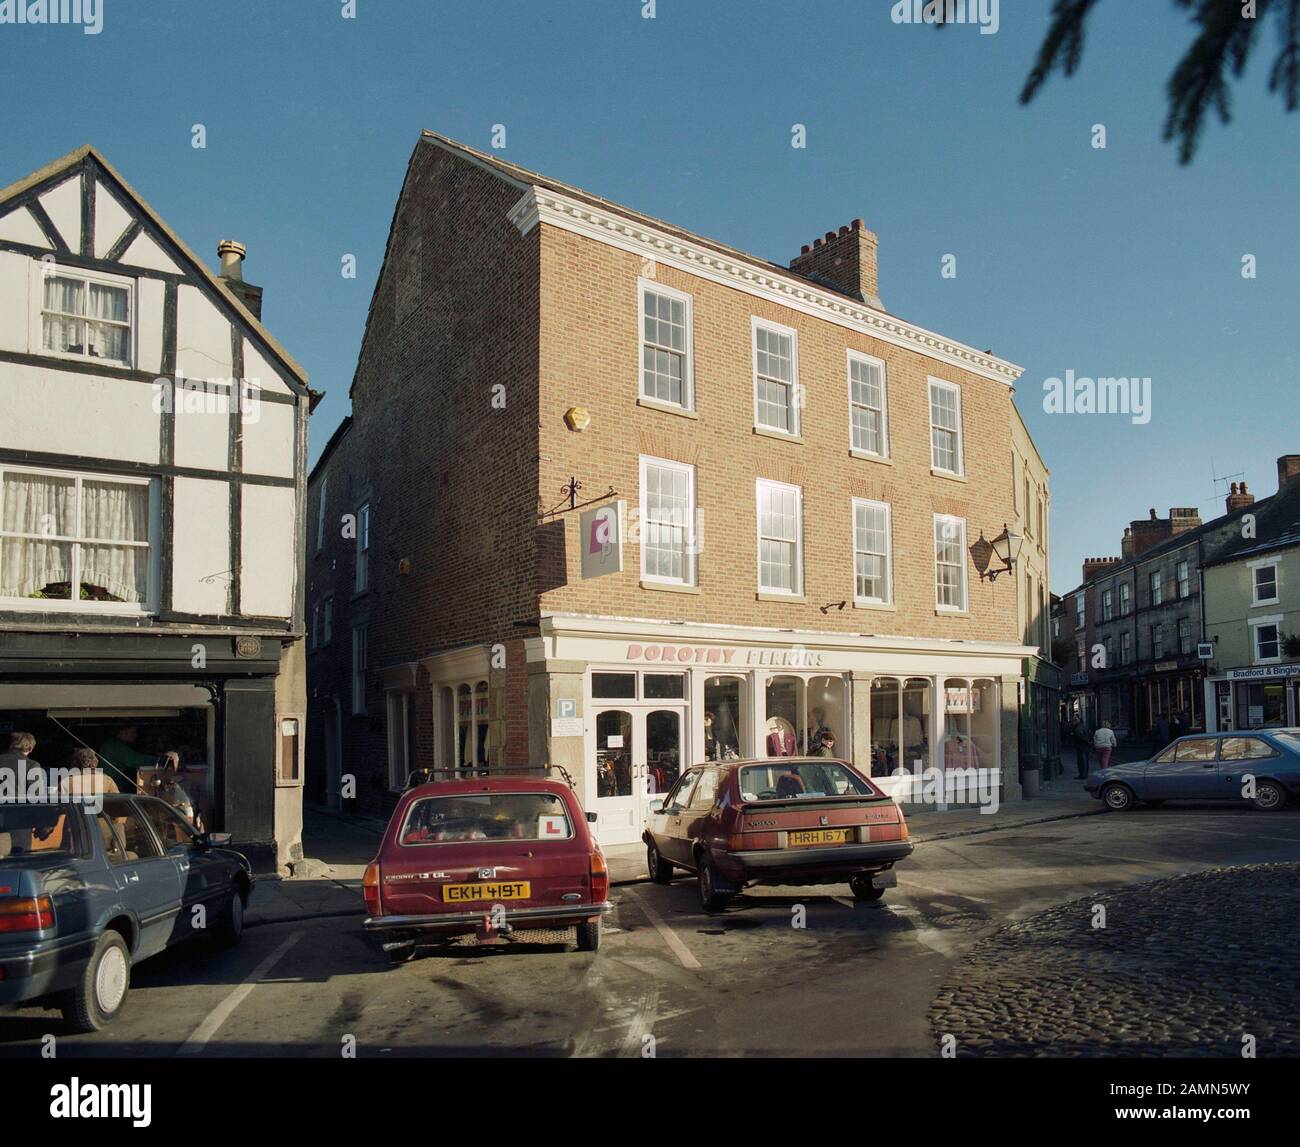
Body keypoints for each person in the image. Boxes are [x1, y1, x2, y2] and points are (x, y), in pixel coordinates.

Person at [98, 725, 175, 794]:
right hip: (116, 785)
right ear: (122, 732)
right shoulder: (116, 746)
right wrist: (160, 760)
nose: (135, 735)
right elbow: (135, 760)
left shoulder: (111, 744)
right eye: (133, 732)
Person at [149, 758, 197, 825]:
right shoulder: (163, 786)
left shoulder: (185, 785)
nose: (171, 774)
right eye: (168, 771)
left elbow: (188, 806)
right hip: (170, 816)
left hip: (183, 817)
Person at [1070, 714, 1093, 779]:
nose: (1072, 723)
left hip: (1081, 746)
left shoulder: (1078, 728)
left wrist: (1088, 742)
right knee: (1085, 760)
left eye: (1072, 722)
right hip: (1086, 746)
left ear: (1075, 721)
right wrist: (1090, 742)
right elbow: (1090, 734)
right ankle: (1084, 774)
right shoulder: (1084, 726)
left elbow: (1081, 737)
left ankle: (1082, 775)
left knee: (1082, 761)